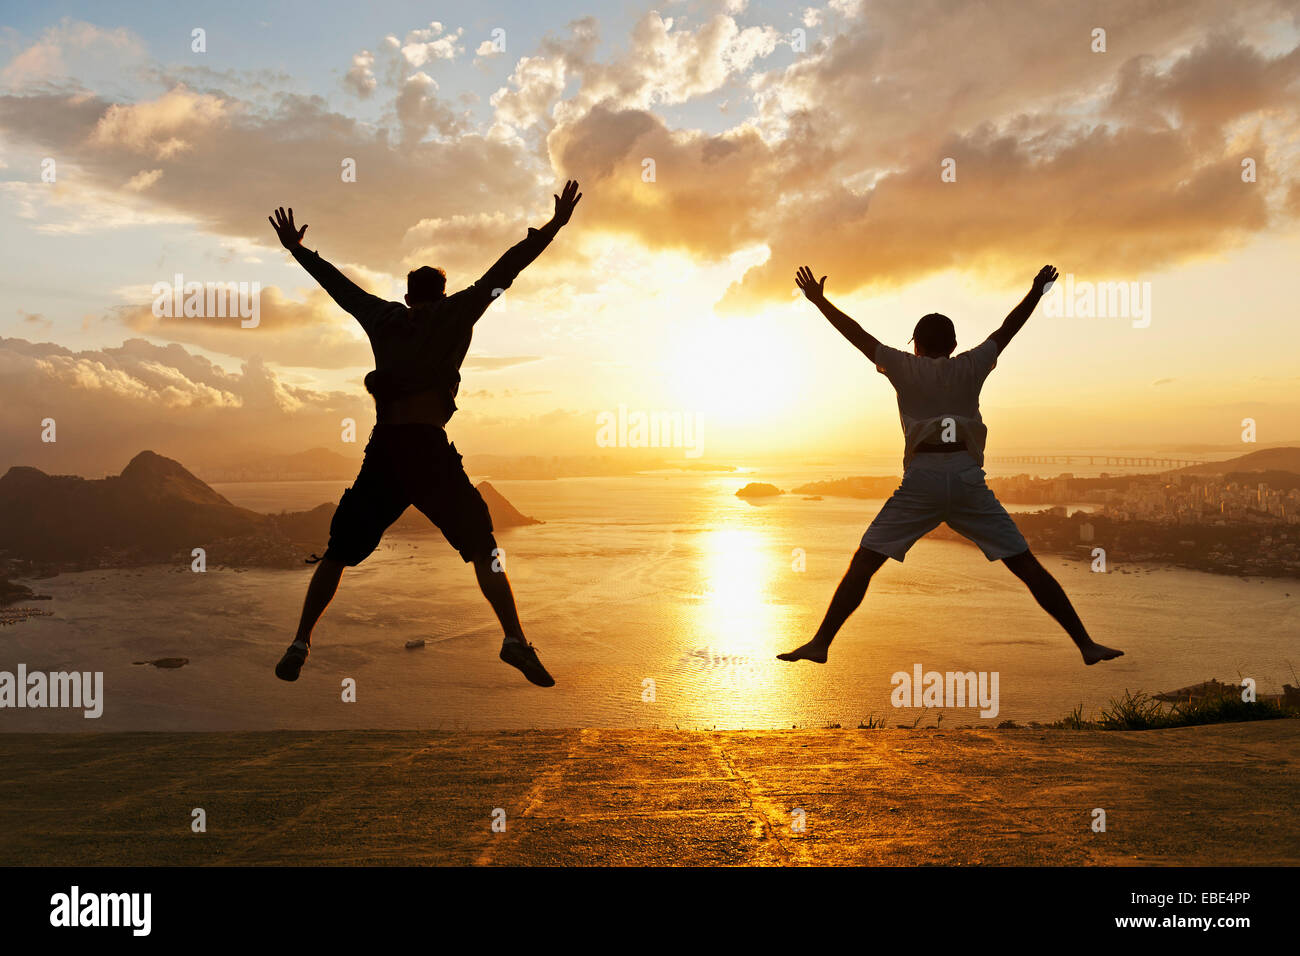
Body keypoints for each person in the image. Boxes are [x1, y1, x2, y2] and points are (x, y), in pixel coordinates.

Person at [266, 181, 583, 687]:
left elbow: (339, 287)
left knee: (338, 553)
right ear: (441, 292)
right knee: (484, 547)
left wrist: (298, 251)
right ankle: (514, 639)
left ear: (409, 295)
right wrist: (554, 226)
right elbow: (509, 268)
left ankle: (301, 638)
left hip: (387, 450)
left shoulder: (383, 316)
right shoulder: (461, 311)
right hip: (429, 452)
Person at [778, 264, 1123, 667]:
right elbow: (1008, 329)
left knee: (865, 563)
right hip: (964, 477)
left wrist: (820, 302)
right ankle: (1085, 644)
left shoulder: (904, 366)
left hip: (921, 479)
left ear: (917, 346)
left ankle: (821, 643)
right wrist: (1036, 292)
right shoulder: (970, 365)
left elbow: (859, 337)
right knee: (1025, 564)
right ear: (955, 345)